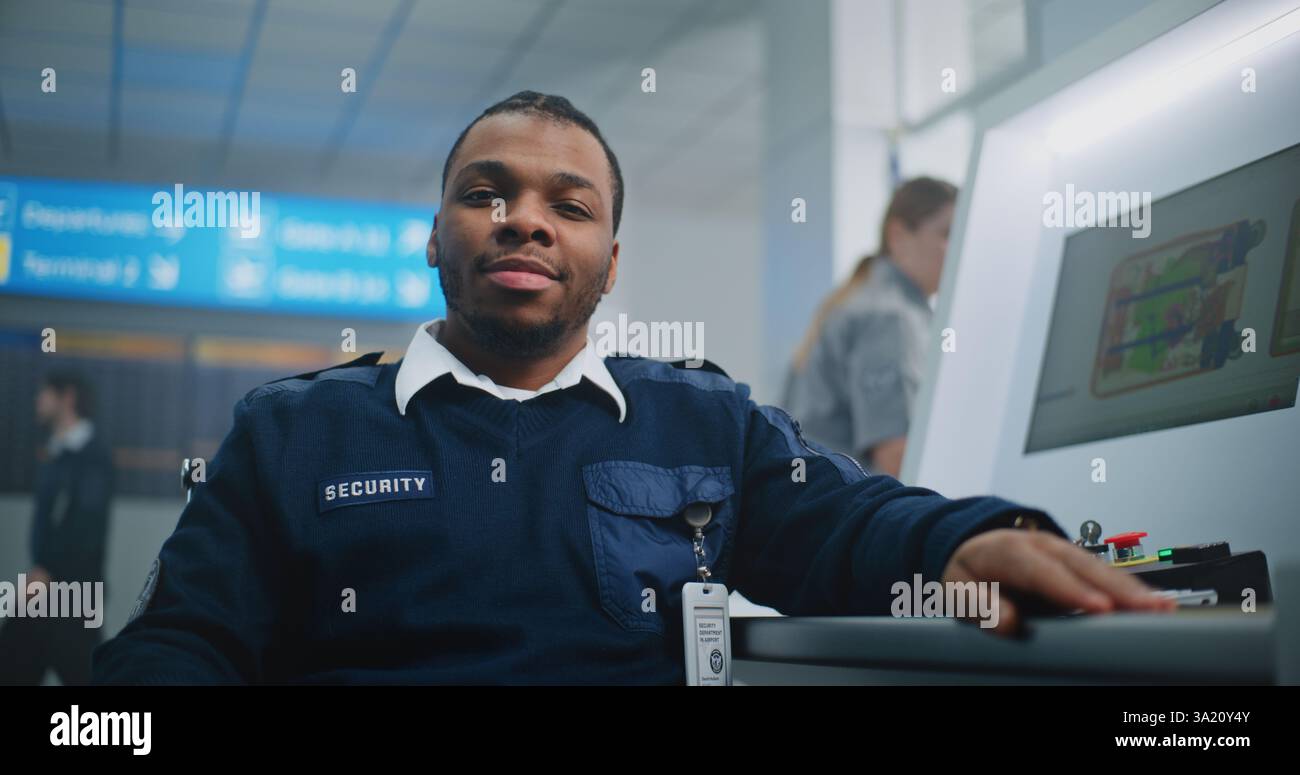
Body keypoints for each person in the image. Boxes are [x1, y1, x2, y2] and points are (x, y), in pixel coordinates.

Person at [92, 91, 1172, 685]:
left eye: (569, 205)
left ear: (610, 263)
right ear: (433, 239)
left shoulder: (702, 420)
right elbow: (178, 645)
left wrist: (958, 544)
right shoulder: (293, 431)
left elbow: (847, 523)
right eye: (486, 193)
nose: (524, 218)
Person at [784, 177, 956, 479]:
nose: (959, 248)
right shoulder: (890, 317)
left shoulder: (858, 299)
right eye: (947, 234)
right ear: (898, 235)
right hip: (846, 511)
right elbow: (896, 457)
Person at [0, 370, 114, 685]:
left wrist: (46, 570)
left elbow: (86, 525)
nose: (38, 400)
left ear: (67, 398)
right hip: (52, 590)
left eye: (45, 393)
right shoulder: (58, 452)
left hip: (70, 591)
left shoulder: (92, 456)